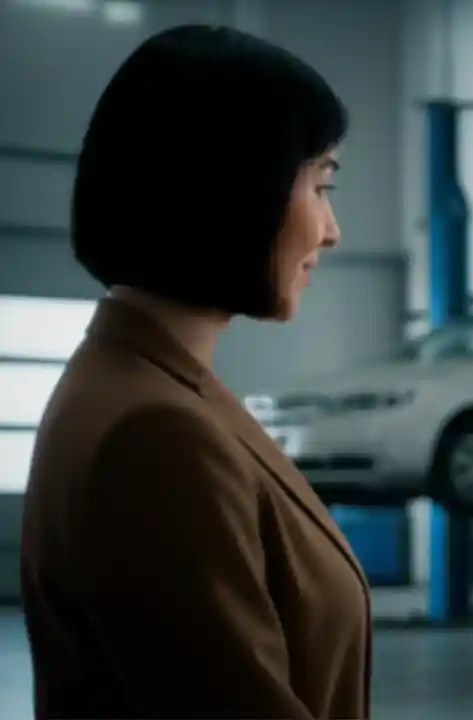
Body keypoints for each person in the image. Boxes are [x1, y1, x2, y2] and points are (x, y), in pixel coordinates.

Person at [20, 25, 370, 719]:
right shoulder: (156, 435)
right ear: (239, 187)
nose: (332, 231)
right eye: (320, 185)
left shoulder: (137, 384)